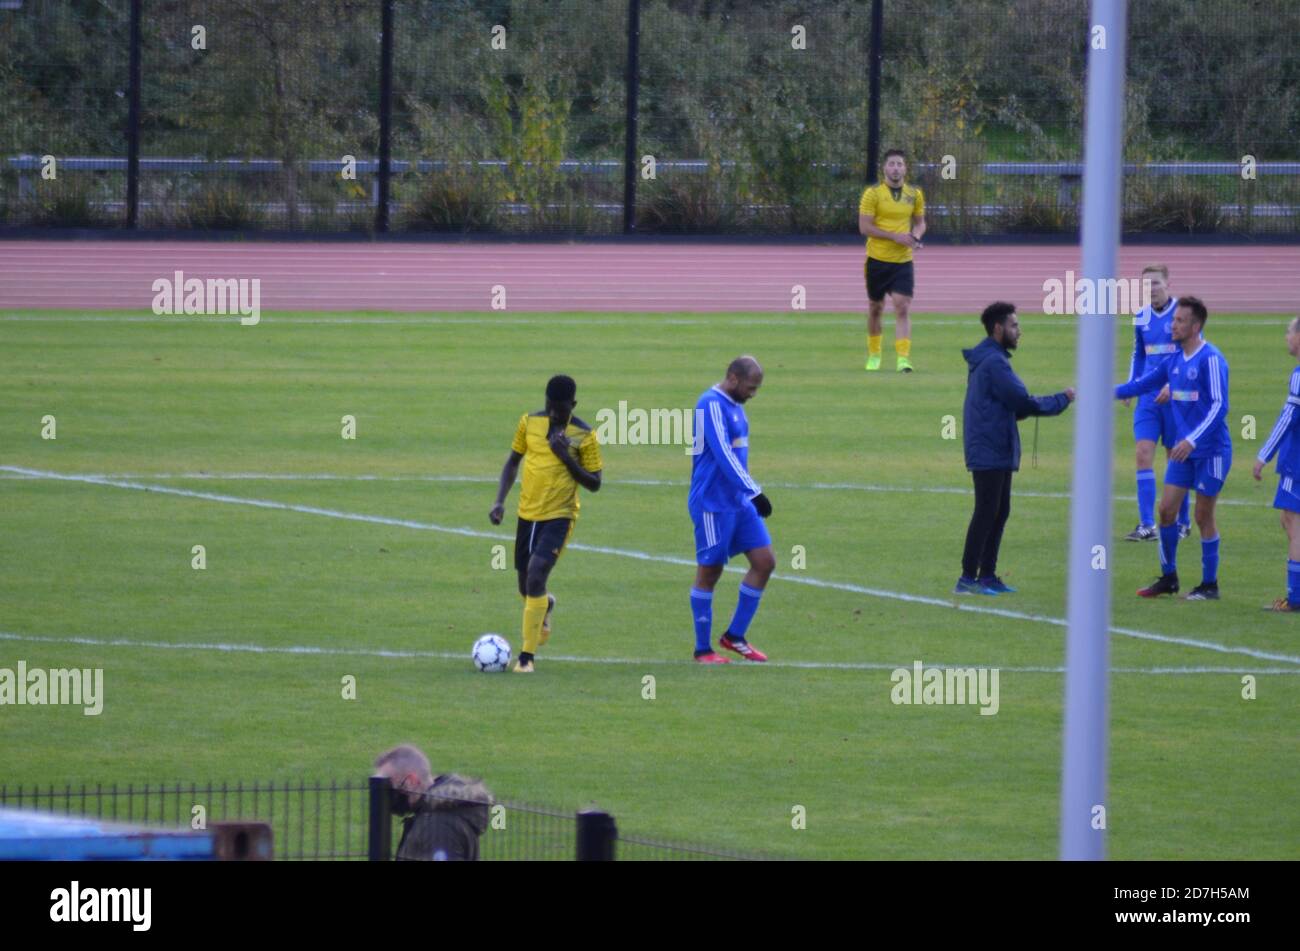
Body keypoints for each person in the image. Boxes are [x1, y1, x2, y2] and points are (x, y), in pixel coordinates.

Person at [1114, 296, 1230, 600]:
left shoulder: (1212, 359)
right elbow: (1141, 384)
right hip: (1184, 452)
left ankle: (1209, 585)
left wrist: (1192, 440)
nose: (1172, 325)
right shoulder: (1174, 360)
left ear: (1196, 326)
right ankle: (1169, 578)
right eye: (1173, 319)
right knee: (1166, 511)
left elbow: (1219, 407)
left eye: (1179, 321)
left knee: (1204, 516)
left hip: (1210, 451)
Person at [957, 303, 1074, 595]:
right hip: (989, 447)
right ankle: (968, 578)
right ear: (998, 329)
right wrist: (1062, 399)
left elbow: (1008, 405)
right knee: (987, 511)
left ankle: (987, 575)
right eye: (1014, 326)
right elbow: (1021, 401)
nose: (1019, 332)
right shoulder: (995, 362)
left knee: (998, 510)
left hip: (994, 445)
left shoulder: (991, 359)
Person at [489, 374, 603, 672]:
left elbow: (595, 483)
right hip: (527, 514)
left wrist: (565, 457)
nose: (553, 413)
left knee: (536, 575)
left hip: (560, 516)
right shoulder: (529, 423)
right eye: (550, 405)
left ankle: (526, 659)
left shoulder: (584, 435)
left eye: (560, 408)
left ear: (573, 405)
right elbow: (513, 462)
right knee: (526, 586)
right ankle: (545, 604)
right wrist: (500, 501)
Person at [687, 356, 774, 663]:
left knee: (764, 562)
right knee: (710, 572)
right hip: (713, 503)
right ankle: (702, 650)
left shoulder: (737, 406)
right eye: (750, 387)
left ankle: (734, 636)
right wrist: (754, 490)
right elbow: (723, 454)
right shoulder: (710, 403)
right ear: (733, 378)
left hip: (738, 502)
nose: (753, 394)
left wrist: (747, 493)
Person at [1122, 264, 1192, 541]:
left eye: (1155, 283)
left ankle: (1182, 521)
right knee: (1142, 454)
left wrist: (1173, 385)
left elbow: (1192, 354)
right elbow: (1139, 355)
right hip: (1149, 399)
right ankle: (1147, 524)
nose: (1150, 289)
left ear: (1168, 284)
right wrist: (1130, 387)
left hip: (1176, 400)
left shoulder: (1182, 316)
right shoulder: (1141, 317)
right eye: (1145, 284)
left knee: (1175, 459)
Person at [858, 148, 926, 373]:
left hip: (903, 261)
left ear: (905, 168)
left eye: (900, 164)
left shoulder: (914, 194)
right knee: (875, 308)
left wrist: (915, 236)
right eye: (892, 164)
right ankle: (874, 355)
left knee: (902, 306)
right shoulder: (873, 194)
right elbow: (864, 227)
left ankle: (903, 359)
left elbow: (920, 222)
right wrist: (894, 236)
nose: (896, 168)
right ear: (884, 168)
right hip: (877, 260)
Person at [1252, 316, 1300, 612]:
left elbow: (1288, 418)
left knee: (1295, 526)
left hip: (1296, 463)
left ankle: (1295, 597)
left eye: (1289, 331)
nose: (1286, 337)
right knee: (1288, 520)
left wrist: (1263, 455)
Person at [374, 744, 492, 861]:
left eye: (388, 786)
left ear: (411, 781)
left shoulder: (438, 827)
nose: (384, 795)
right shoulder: (433, 814)